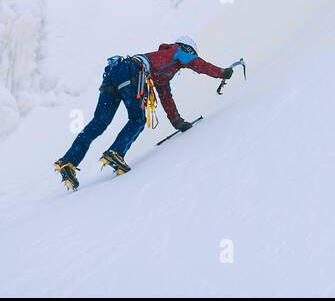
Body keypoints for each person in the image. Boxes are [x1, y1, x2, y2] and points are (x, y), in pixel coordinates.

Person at [52, 36, 233, 190]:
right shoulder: (177, 51)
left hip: (114, 72)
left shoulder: (162, 67)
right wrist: (222, 73)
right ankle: (115, 152)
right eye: (192, 54)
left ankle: (68, 162)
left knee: (99, 123)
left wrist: (177, 122)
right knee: (138, 119)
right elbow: (198, 65)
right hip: (132, 71)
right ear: (189, 49)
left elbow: (165, 95)